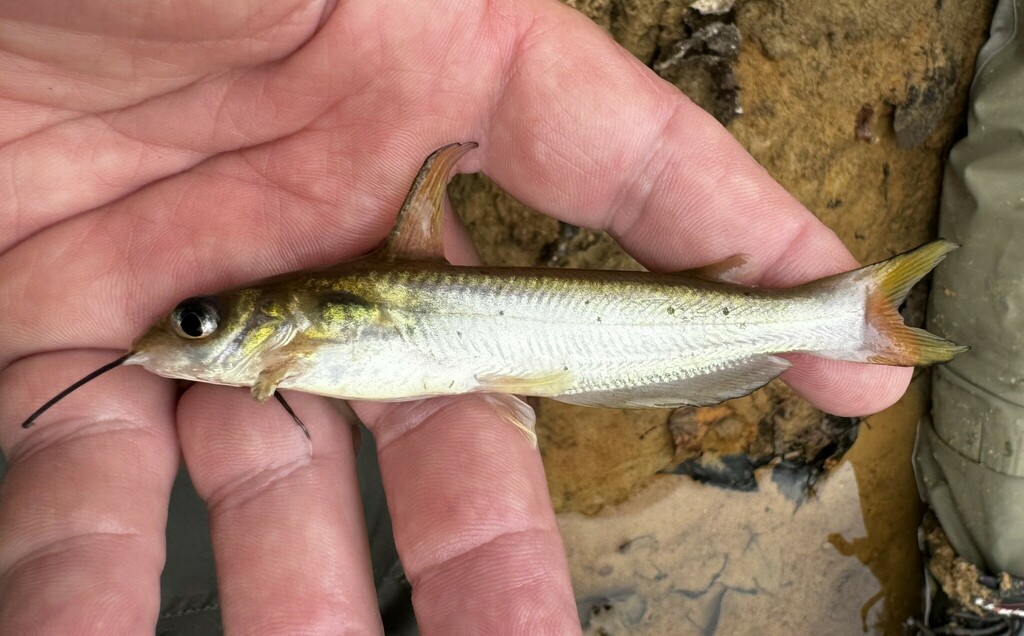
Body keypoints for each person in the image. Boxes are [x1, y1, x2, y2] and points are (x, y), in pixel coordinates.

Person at [0, 0, 913, 633]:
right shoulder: (285, 335)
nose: (183, 336)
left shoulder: (302, 326)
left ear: (279, 320)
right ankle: (840, 321)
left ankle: (840, 320)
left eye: (200, 323)